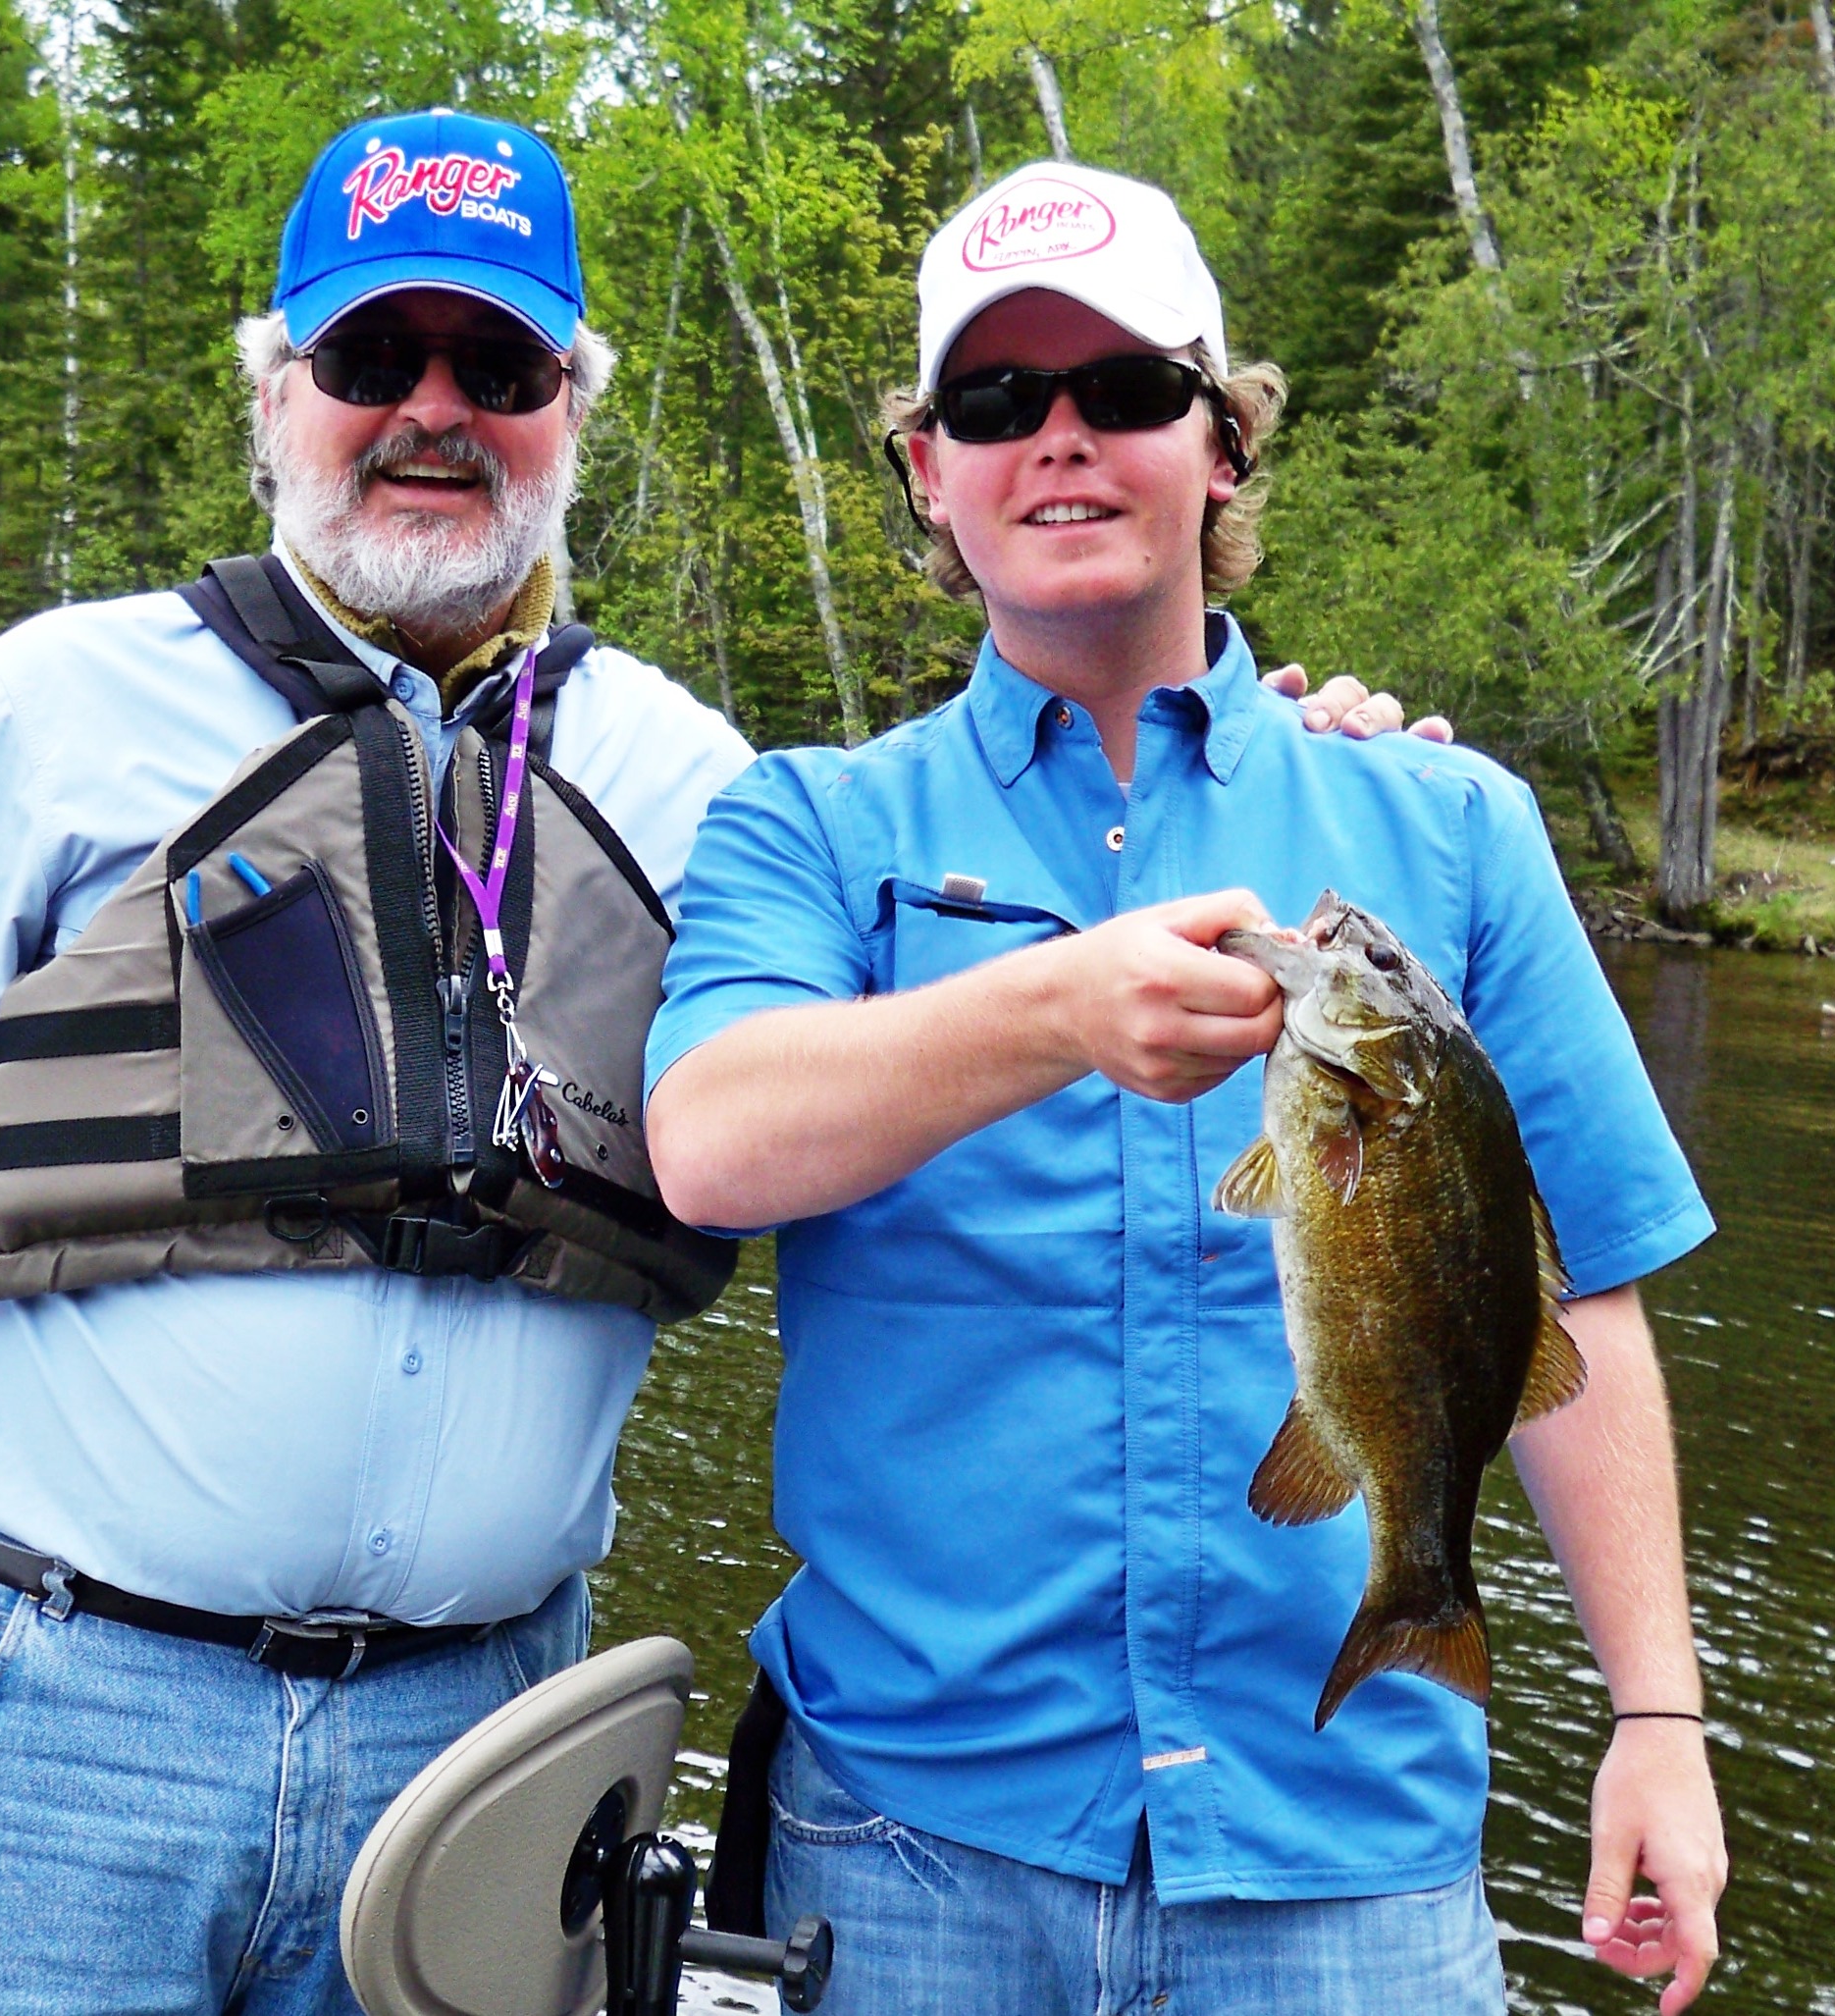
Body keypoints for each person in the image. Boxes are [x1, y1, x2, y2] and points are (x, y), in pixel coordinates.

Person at [0, 112, 1431, 2011]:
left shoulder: (707, 789)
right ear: (279, 395)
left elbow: (989, 945)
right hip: (43, 1717)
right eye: (375, 361)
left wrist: (1256, 744)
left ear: (572, 411)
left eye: (501, 370)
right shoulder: (47, 711)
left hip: (482, 1744)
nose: (434, 415)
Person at [645, 160, 1727, 2016]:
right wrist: (1053, 1009)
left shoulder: (1450, 822)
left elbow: (1586, 1294)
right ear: (928, 473)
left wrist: (1661, 1714)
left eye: (1125, 393)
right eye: (994, 404)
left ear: (1221, 444)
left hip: (1350, 1855)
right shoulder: (810, 821)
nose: (1058, 442)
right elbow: (711, 1141)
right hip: (902, 1847)